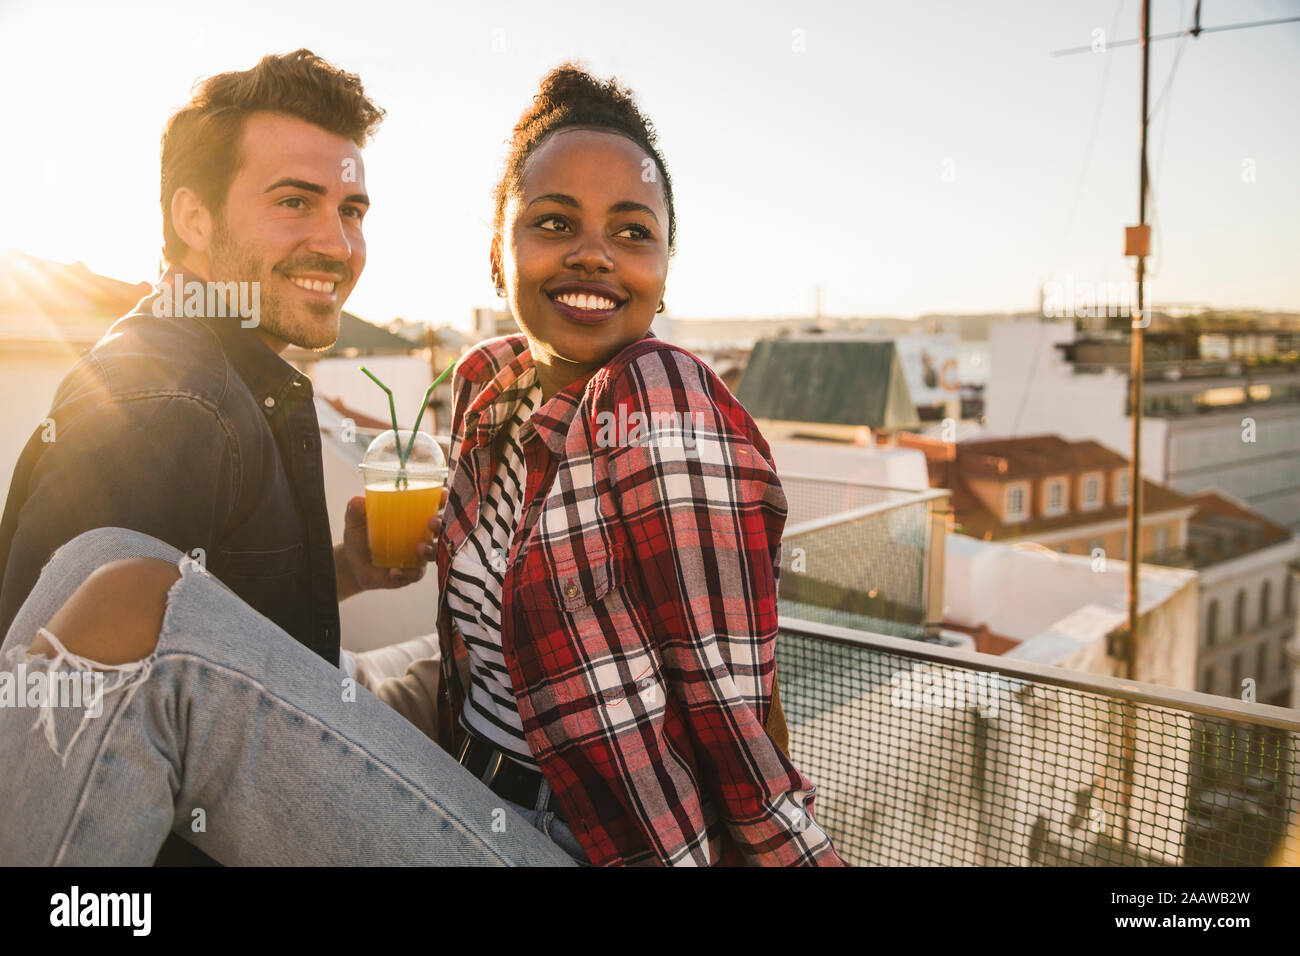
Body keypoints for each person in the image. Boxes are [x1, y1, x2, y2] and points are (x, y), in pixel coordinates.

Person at [0, 63, 843, 867]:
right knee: (105, 568)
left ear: (663, 276)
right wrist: (346, 572)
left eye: (633, 231)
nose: (594, 253)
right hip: (470, 764)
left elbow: (735, 709)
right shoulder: (489, 392)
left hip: (575, 838)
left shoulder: (658, 395)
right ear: (496, 255)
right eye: (554, 222)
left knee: (127, 603)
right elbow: (498, 653)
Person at [0, 50, 438, 865]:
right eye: (295, 202)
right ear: (194, 218)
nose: (338, 243)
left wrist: (341, 568)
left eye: (352, 209)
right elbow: (63, 731)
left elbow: (190, 621)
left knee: (457, 671)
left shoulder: (219, 370)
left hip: (279, 737)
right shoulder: (170, 405)